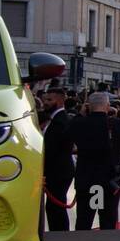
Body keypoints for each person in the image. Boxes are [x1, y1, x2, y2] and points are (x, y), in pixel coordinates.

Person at [67, 92, 120, 231]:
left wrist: (80, 114)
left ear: (88, 106)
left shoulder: (78, 123)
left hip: (87, 177)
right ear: (108, 106)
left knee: (84, 220)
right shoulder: (117, 124)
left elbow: (69, 136)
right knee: (108, 219)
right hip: (109, 179)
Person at [40, 86, 75, 232]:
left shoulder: (60, 121)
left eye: (49, 100)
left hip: (58, 171)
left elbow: (52, 149)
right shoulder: (55, 120)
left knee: (56, 206)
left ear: (60, 101)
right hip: (58, 170)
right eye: (45, 99)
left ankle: (60, 234)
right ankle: (58, 232)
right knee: (53, 206)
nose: (45, 103)